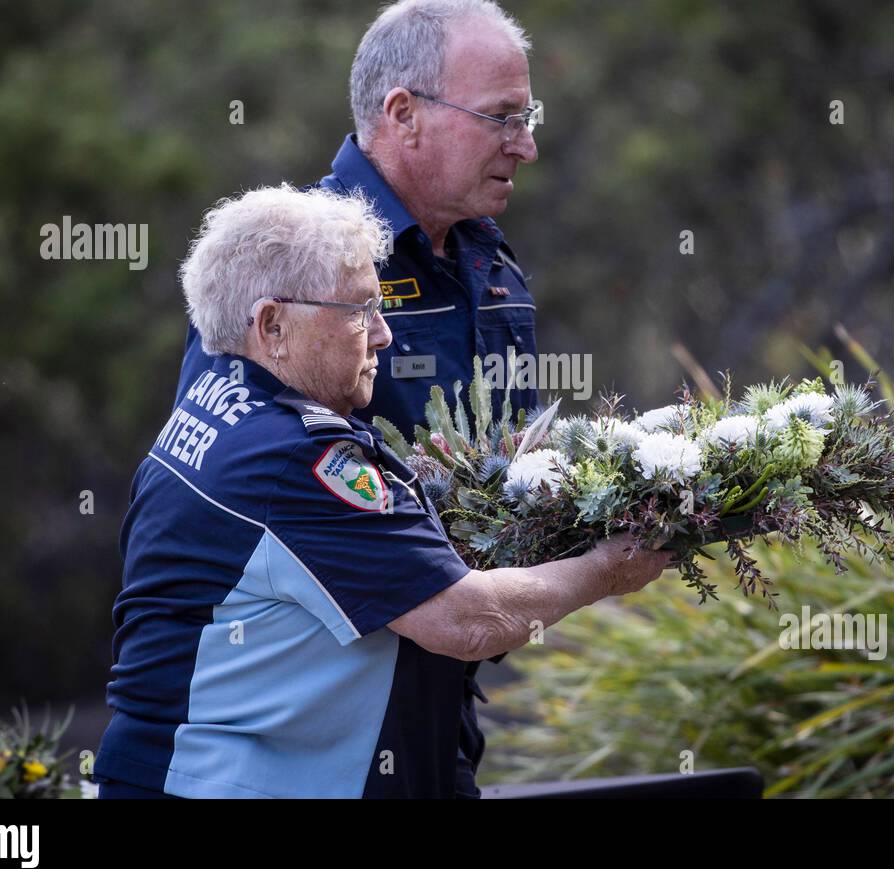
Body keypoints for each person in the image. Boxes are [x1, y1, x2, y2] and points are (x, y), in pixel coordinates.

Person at [94, 185, 668, 798]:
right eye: (360, 311)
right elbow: (468, 620)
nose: (383, 336)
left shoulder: (213, 412)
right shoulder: (293, 457)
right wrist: (610, 569)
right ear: (273, 326)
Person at [171, 0, 543, 796]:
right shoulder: (291, 265)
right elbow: (234, 477)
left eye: (528, 118)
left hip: (445, 689)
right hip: (308, 719)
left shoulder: (490, 257)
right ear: (403, 112)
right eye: (502, 118)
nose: (525, 146)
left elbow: (510, 463)